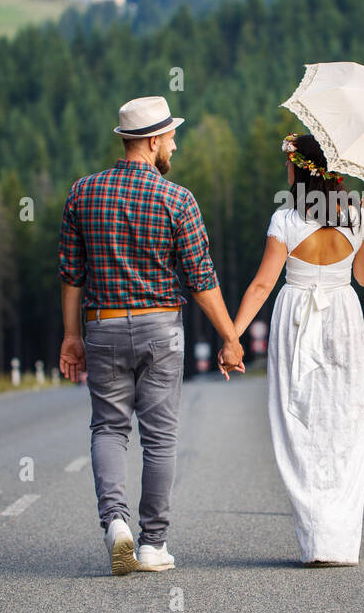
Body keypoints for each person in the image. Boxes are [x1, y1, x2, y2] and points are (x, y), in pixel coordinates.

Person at [57, 95, 245, 577]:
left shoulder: (82, 194)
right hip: (161, 326)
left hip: (102, 325)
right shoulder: (177, 199)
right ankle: (152, 544)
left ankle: (115, 522)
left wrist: (70, 336)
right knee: (159, 438)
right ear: (155, 140)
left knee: (109, 428)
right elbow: (202, 280)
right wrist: (230, 338)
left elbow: (71, 274)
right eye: (172, 137)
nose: (175, 146)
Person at [232, 133, 364, 566]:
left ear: (299, 171)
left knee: (298, 422)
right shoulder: (357, 217)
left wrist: (234, 336)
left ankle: (317, 540)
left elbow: (263, 284)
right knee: (347, 423)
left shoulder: (286, 220)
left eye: (289, 167)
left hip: (296, 315)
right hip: (343, 318)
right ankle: (339, 543)